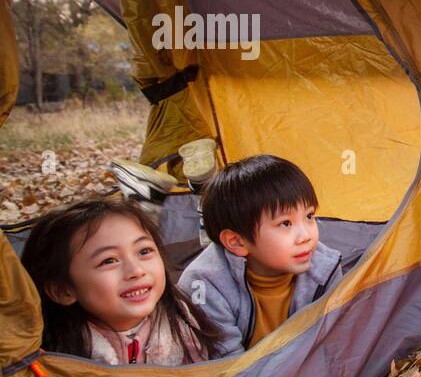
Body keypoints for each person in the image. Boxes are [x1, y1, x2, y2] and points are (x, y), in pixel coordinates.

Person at [180, 154, 342, 357]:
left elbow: (335, 342)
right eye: (285, 223)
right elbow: (223, 370)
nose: (306, 236)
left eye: (309, 216)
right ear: (237, 242)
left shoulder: (325, 268)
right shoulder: (206, 286)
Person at [22, 198, 216, 365]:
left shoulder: (182, 323)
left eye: (144, 251)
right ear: (63, 291)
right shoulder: (54, 354)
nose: (136, 271)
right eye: (108, 261)